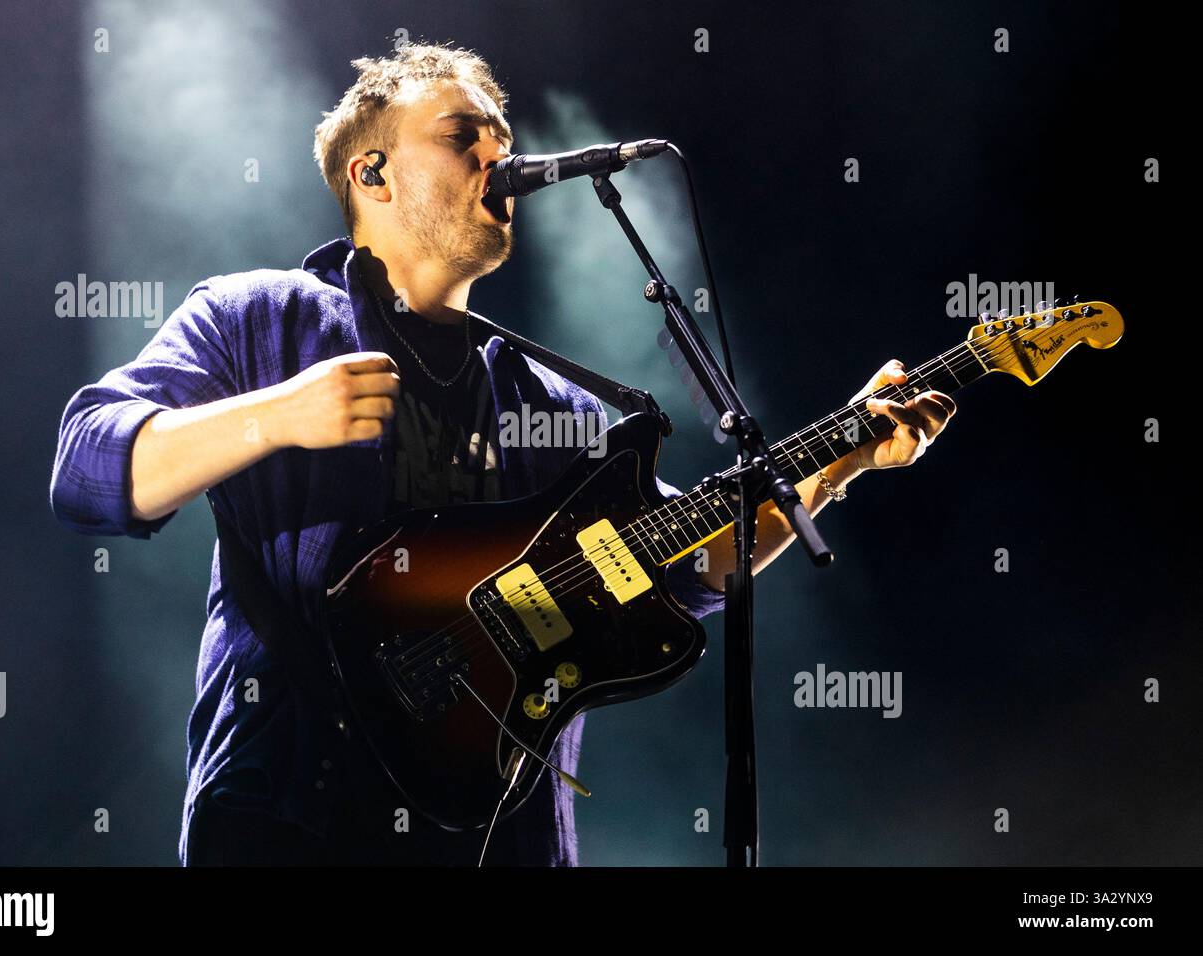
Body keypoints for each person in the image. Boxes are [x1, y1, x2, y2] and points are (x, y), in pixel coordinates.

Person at [49, 42, 955, 867]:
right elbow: (87, 467)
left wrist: (839, 461)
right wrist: (274, 417)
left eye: (504, 140)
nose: (499, 160)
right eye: (463, 138)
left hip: (500, 831)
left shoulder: (545, 398)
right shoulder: (261, 320)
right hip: (294, 816)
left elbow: (682, 571)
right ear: (373, 172)